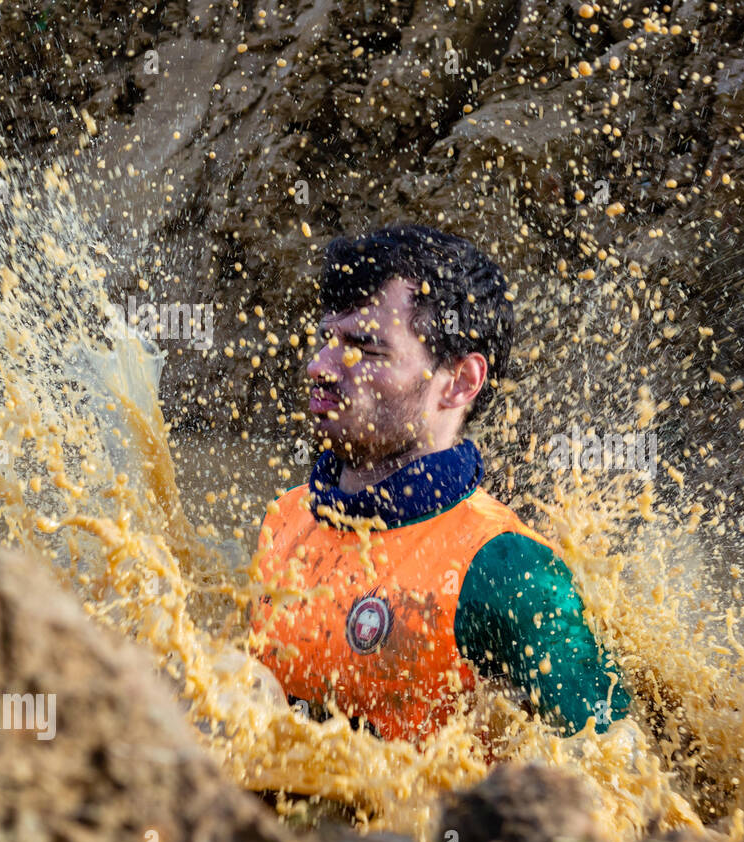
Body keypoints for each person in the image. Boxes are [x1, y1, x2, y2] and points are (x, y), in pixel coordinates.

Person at [247, 222, 630, 744]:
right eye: (325, 340)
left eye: (363, 347)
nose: (320, 366)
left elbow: (620, 773)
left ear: (460, 381)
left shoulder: (505, 566)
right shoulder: (284, 518)